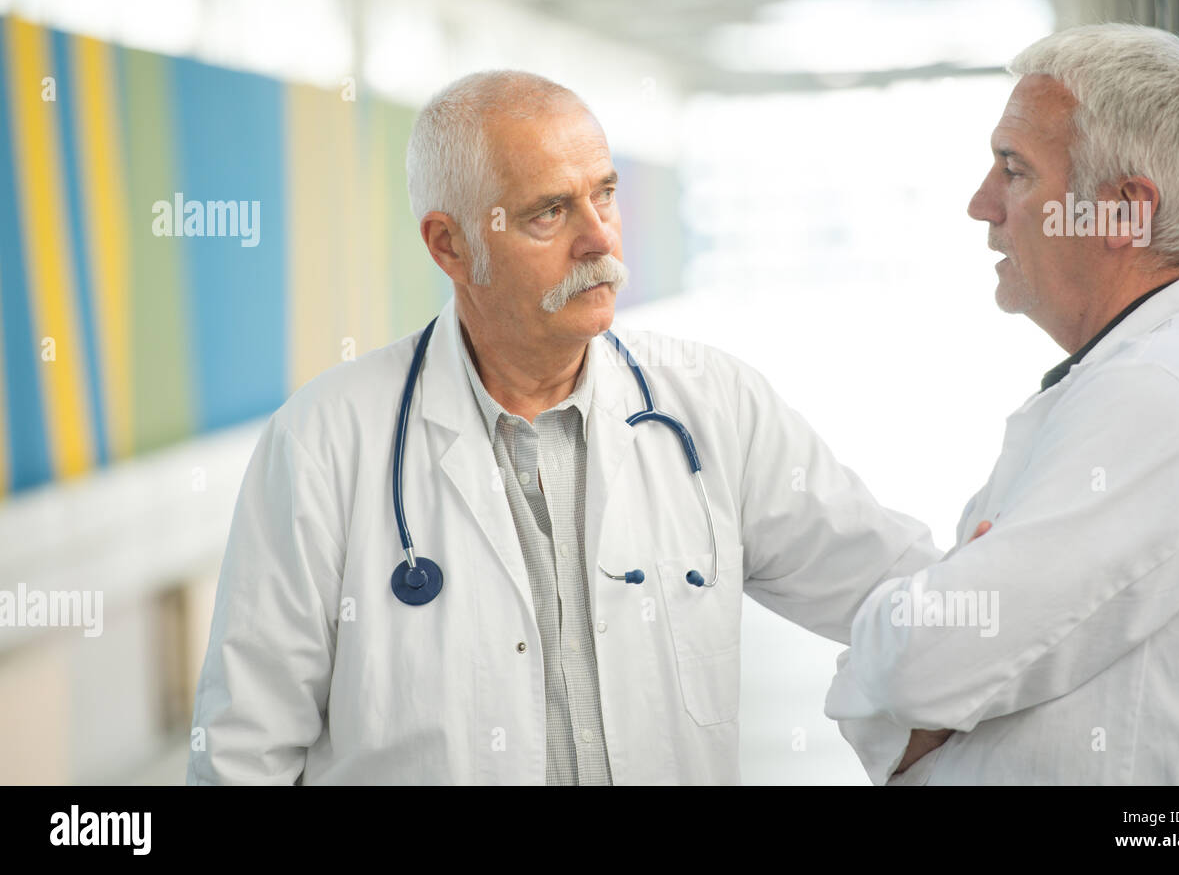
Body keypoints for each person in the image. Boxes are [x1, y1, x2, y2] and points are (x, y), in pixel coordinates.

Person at [187, 70, 940, 784]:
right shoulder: (325, 442)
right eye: (550, 211)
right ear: (450, 245)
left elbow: (891, 587)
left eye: (604, 195)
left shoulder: (713, 406)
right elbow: (243, 751)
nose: (600, 239)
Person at [826, 23, 1179, 785]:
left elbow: (923, 663)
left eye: (1014, 170)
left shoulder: (1168, 398)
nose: (981, 204)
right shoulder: (1138, 381)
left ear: (1122, 211)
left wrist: (901, 630)